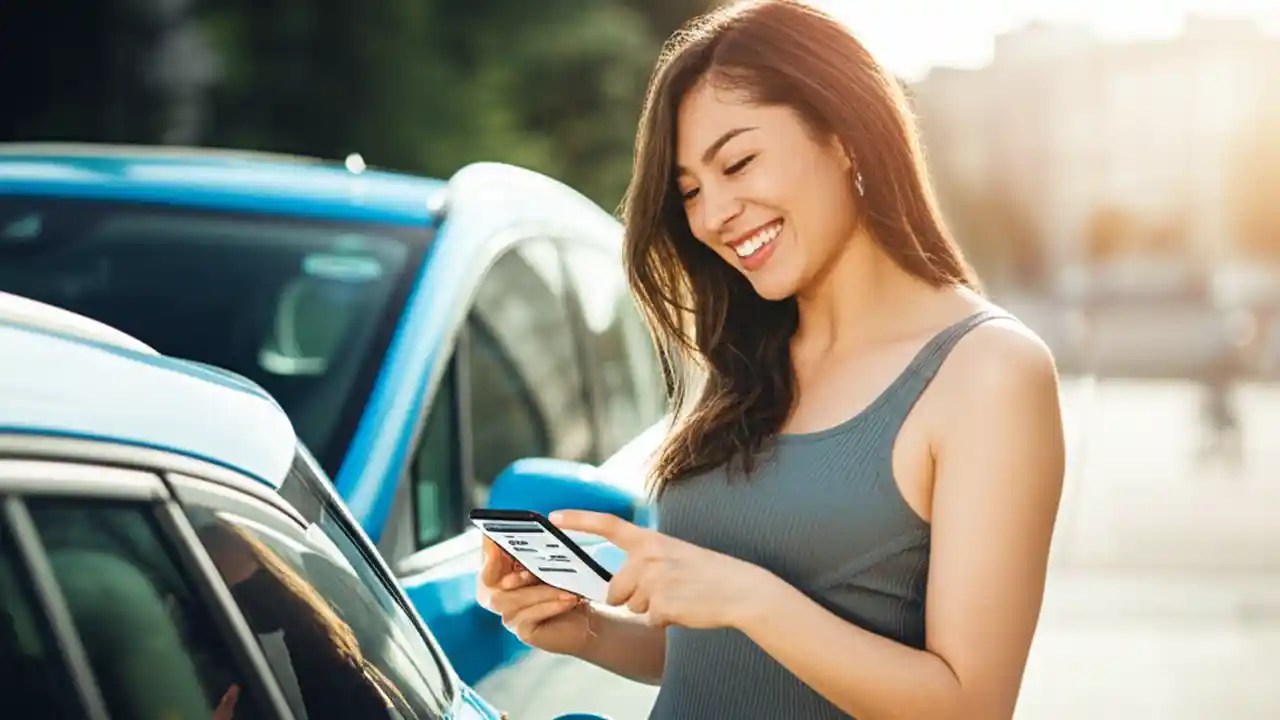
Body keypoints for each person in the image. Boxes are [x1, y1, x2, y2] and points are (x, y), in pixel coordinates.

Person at [478, 1, 1066, 717]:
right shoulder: (741, 360)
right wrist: (587, 630)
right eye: (690, 190)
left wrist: (747, 594)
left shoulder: (988, 372)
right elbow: (712, 650)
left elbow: (970, 705)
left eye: (739, 162)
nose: (714, 213)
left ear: (846, 135)